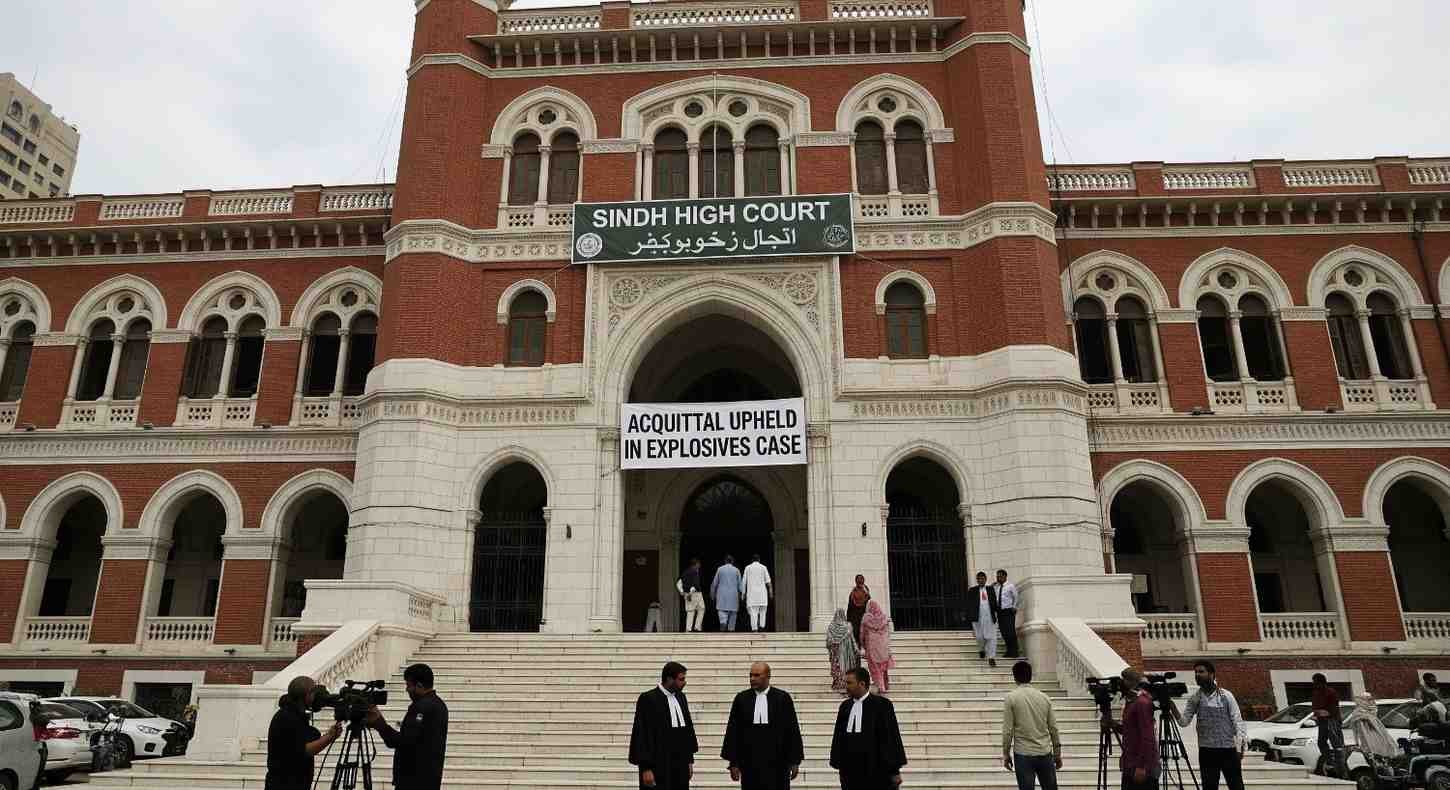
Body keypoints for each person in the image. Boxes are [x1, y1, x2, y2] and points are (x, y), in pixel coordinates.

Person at [366, 663, 449, 790]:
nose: (407, 690)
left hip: (413, 781)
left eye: (408, 685)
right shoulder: (439, 704)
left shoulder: (421, 707)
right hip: (429, 780)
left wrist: (379, 723)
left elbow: (404, 742)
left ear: (419, 685)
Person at [721, 662, 804, 790]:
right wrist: (734, 763)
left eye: (757, 675)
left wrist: (794, 761)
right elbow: (734, 731)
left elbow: (792, 730)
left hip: (778, 764)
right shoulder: (741, 699)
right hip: (750, 765)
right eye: (750, 675)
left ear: (768, 676)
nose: (752, 679)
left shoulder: (782, 698)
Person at [1167, 660, 1246, 790]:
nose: (1198, 675)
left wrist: (1240, 746)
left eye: (1201, 672)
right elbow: (1183, 722)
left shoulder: (1226, 696)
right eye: (1196, 672)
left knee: (1236, 786)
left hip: (1228, 749)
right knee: (1209, 786)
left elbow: (1237, 720)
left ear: (1212, 674)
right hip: (1207, 751)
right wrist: (1172, 706)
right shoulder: (1195, 698)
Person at [830, 667, 907, 790]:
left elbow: (891, 738)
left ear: (862, 684)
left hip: (877, 771)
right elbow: (839, 737)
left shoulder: (882, 705)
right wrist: (839, 764)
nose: (846, 686)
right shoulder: (845, 707)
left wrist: (895, 770)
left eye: (849, 683)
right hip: (851, 773)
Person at [630, 661, 699, 790]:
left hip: (680, 767)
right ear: (669, 679)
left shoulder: (681, 697)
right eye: (681, 679)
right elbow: (641, 735)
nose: (684, 682)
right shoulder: (648, 699)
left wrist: (689, 761)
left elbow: (687, 732)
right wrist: (646, 768)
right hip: (658, 767)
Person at [265, 675, 342, 790]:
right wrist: (330, 736)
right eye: (314, 691)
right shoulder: (287, 717)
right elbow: (305, 750)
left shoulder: (293, 714)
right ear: (306, 695)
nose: (316, 695)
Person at [1002, 661, 1062, 790]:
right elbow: (1053, 728)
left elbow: (1008, 731)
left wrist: (1006, 754)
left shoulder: (1011, 698)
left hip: (1023, 753)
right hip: (1044, 752)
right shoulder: (1044, 697)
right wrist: (1057, 754)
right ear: (1031, 676)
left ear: (1015, 677)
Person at [1116, 668, 1159, 790]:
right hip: (1130, 762)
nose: (1120, 684)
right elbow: (1130, 731)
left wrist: (1141, 766)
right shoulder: (1131, 702)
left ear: (1131, 682)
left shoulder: (1142, 702)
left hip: (1141, 766)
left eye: (1123, 680)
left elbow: (1148, 736)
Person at [1310, 673, 1344, 776]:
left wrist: (1324, 712)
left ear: (1321, 682)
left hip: (1332, 720)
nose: (1314, 684)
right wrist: (1319, 712)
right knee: (1321, 742)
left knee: (1337, 744)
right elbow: (1315, 708)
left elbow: (1333, 709)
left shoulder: (1330, 692)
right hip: (1323, 721)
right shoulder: (1316, 693)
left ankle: (1340, 765)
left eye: (1315, 682)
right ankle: (1330, 761)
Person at [859, 600, 896, 693]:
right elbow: (888, 633)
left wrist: (863, 644)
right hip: (883, 646)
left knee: (875, 668)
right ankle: (886, 684)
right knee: (883, 666)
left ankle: (881, 686)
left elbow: (862, 634)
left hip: (872, 647)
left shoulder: (866, 618)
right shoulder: (884, 618)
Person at [966, 570, 1001, 667]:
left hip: (990, 616)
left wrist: (998, 611)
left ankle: (991, 658)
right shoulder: (972, 590)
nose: (981, 580)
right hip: (978, 617)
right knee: (979, 637)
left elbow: (994, 602)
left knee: (992, 637)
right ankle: (981, 649)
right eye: (979, 579)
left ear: (986, 579)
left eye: (983, 579)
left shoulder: (990, 589)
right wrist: (969, 617)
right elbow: (969, 605)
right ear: (977, 580)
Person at [1350, 692, 1398, 760]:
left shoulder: (1372, 713)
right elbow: (1357, 731)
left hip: (1378, 741)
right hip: (1367, 743)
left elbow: (1379, 728)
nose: (1371, 701)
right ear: (1362, 700)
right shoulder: (1358, 714)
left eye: (1370, 699)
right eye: (1368, 699)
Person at [826, 609, 860, 693]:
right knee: (845, 666)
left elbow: (829, 640)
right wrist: (856, 648)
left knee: (837, 666)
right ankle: (845, 683)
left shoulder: (831, 626)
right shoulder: (848, 625)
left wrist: (832, 645)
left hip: (836, 651)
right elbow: (852, 638)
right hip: (847, 652)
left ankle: (838, 683)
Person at [712, 555, 743, 632]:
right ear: (732, 561)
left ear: (725, 561)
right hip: (733, 596)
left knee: (722, 611)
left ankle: (723, 622)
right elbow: (740, 585)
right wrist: (743, 595)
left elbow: (715, 583)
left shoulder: (720, 569)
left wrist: (712, 594)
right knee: (733, 614)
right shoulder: (736, 570)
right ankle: (731, 629)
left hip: (722, 595)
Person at [995, 569, 1021, 659]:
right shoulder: (997, 587)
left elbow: (1016, 597)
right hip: (1000, 612)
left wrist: (1014, 606)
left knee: (1010, 631)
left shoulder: (1010, 586)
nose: (998, 578)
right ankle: (1009, 651)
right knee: (1004, 632)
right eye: (997, 576)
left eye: (1000, 576)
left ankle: (1015, 651)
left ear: (1005, 576)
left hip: (1009, 611)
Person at [742, 554, 773, 632]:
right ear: (759, 560)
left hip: (752, 595)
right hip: (762, 595)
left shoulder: (747, 568)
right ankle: (762, 627)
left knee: (753, 613)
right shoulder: (763, 567)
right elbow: (768, 582)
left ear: (752, 560)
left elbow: (744, 582)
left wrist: (743, 594)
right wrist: (770, 592)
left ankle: (755, 629)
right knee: (763, 612)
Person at [680, 557, 705, 633]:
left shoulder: (685, 572)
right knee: (701, 608)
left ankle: (688, 629)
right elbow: (695, 584)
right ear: (696, 564)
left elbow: (679, 582)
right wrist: (690, 593)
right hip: (695, 593)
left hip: (687, 593)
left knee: (691, 611)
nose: (700, 565)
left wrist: (682, 592)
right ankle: (697, 627)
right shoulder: (695, 571)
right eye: (699, 564)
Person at [847, 575, 871, 645]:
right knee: (856, 636)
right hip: (855, 618)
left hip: (863, 617)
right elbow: (850, 606)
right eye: (858, 579)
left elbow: (869, 604)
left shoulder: (866, 591)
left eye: (861, 579)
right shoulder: (853, 592)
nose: (860, 581)